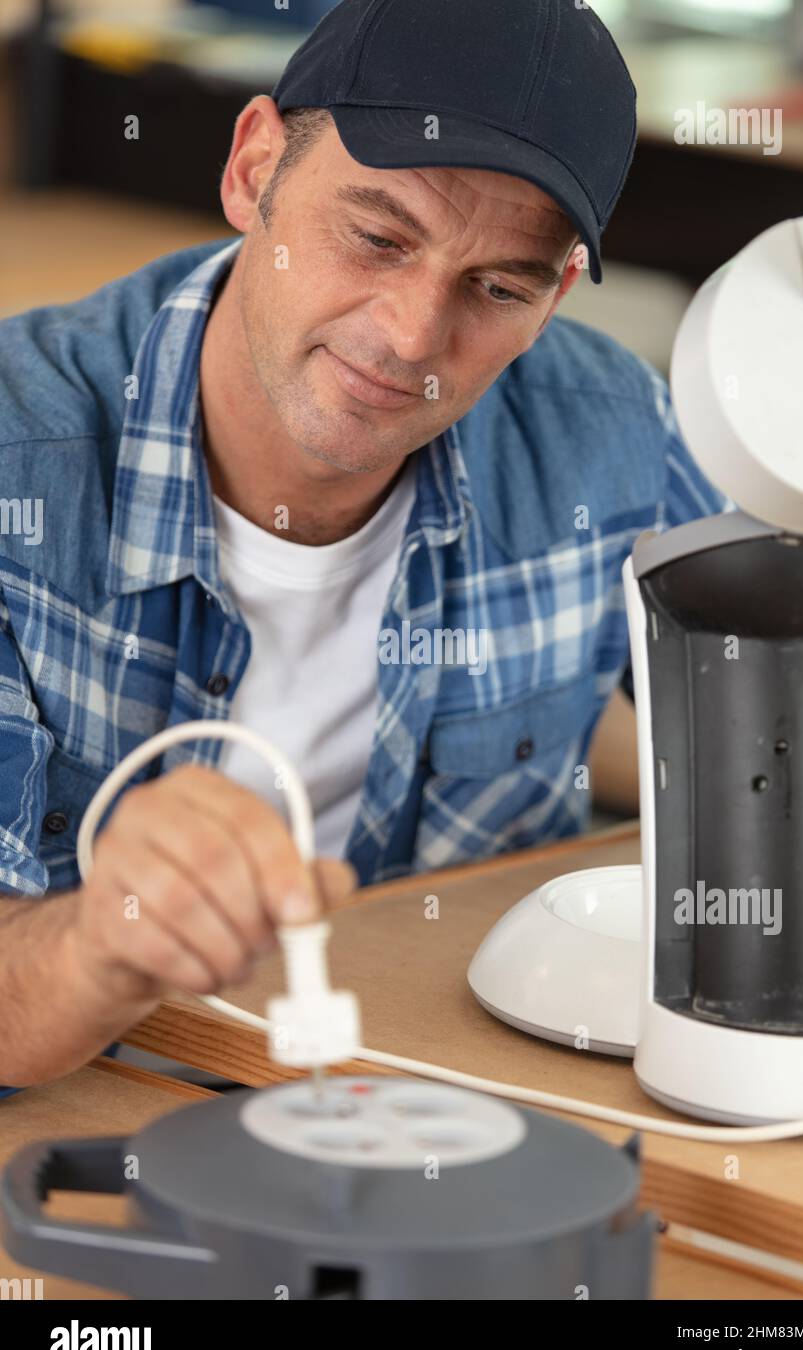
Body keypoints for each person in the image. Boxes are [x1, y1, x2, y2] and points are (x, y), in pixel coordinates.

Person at [0, 0, 726, 1089]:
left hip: (442, 1126)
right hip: (94, 1133)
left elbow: (778, 717)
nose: (409, 337)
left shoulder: (607, 428)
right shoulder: (22, 465)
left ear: (553, 298)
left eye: (497, 287)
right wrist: (105, 943)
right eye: (376, 236)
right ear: (253, 170)